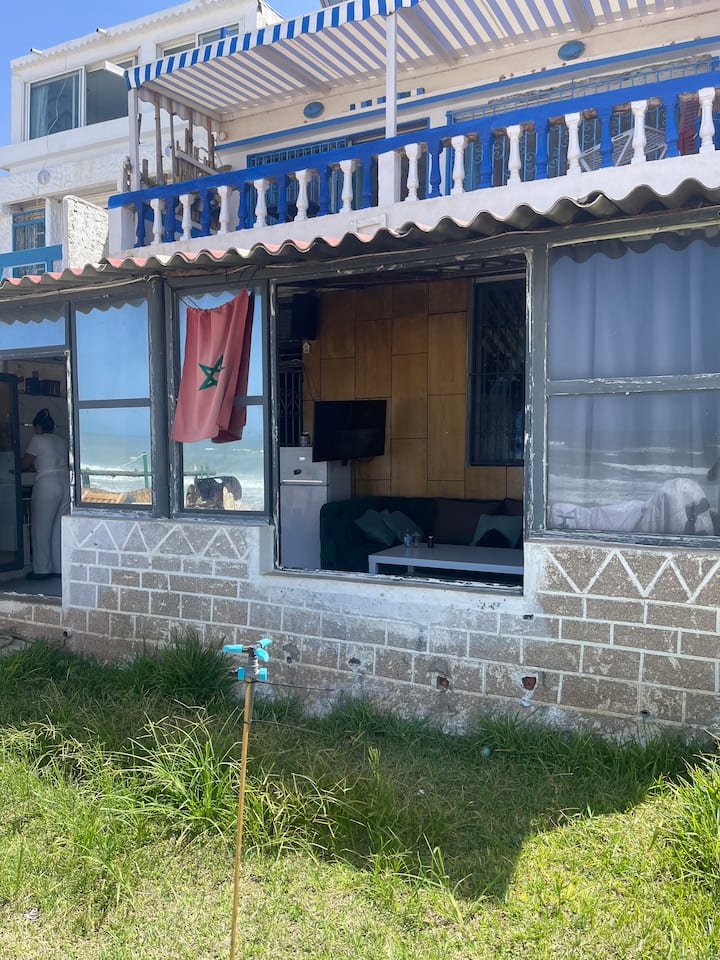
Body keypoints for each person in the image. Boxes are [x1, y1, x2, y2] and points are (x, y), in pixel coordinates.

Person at [21, 409, 70, 580]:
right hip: (65, 483)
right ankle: (58, 567)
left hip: (47, 483)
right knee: (58, 528)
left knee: (41, 528)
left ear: (39, 427)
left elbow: (25, 463)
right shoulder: (61, 441)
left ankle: (42, 569)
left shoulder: (38, 439)